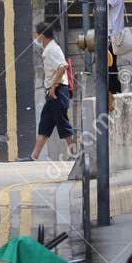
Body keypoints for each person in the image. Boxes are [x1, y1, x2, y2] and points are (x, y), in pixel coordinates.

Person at [30, 21, 75, 162]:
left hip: (58, 91)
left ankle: (73, 154)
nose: (36, 38)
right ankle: (34, 156)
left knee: (62, 122)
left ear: (42, 35)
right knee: (45, 123)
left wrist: (54, 87)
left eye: (37, 35)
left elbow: (62, 67)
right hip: (53, 91)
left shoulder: (51, 50)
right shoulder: (49, 49)